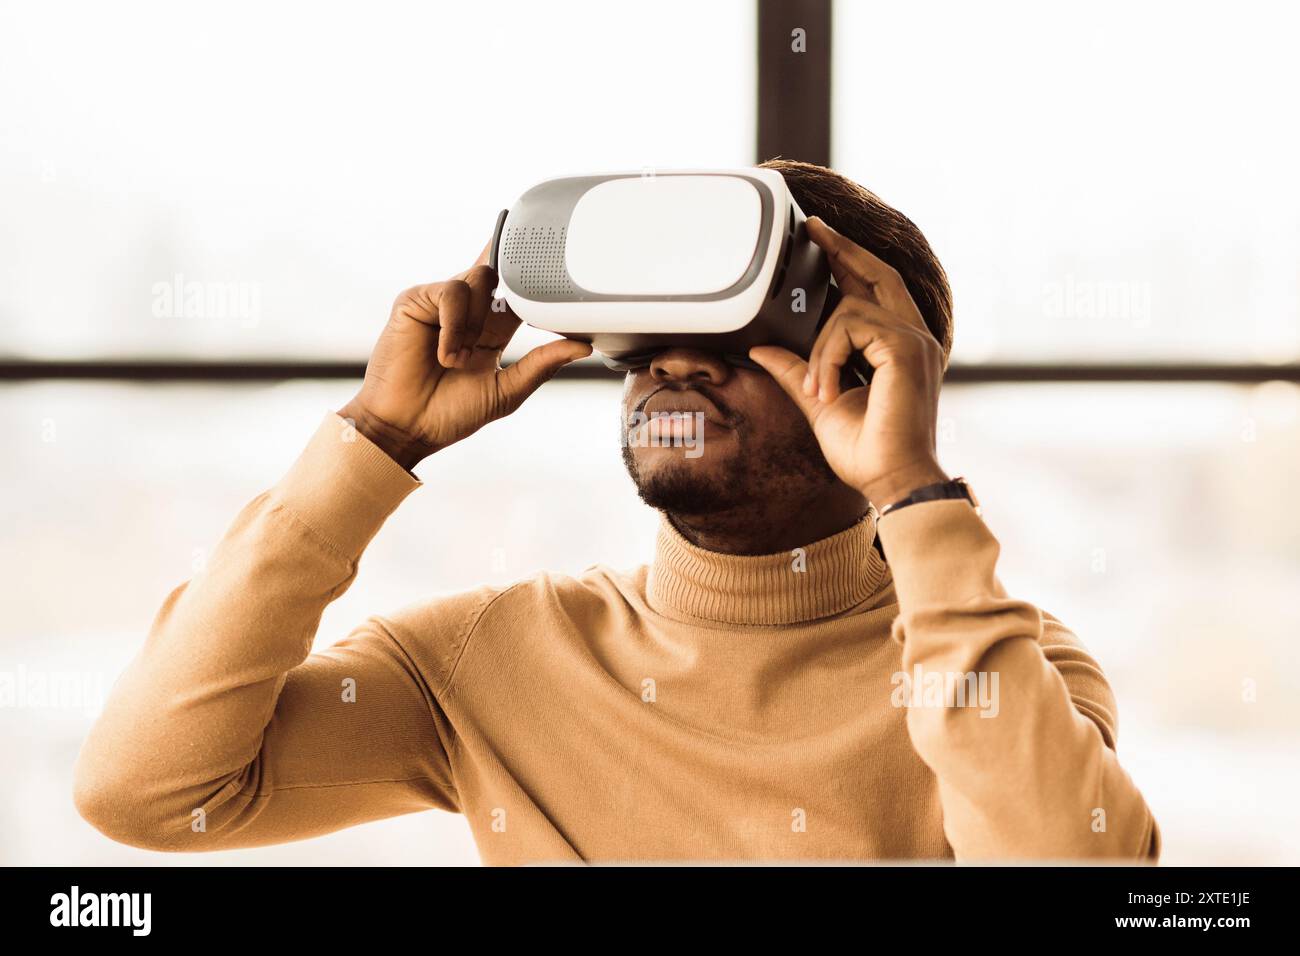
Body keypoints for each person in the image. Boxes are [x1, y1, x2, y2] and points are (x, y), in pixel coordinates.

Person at [73, 159, 1160, 864]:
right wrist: (376, 441)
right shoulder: (484, 657)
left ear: (880, 370)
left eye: (739, 330)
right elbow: (149, 793)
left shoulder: (1004, 673)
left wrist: (911, 492)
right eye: (643, 335)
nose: (673, 364)